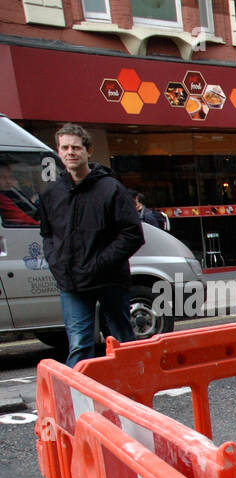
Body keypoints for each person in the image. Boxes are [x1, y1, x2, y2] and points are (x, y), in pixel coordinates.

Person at [37, 123, 143, 367]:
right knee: (79, 344)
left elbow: (132, 234)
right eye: (65, 147)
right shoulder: (51, 193)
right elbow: (47, 235)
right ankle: (79, 400)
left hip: (110, 279)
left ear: (89, 151)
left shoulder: (111, 188)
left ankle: (131, 392)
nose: (70, 152)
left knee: (121, 340)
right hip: (72, 282)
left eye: (76, 147)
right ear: (59, 151)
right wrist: (57, 263)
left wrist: (99, 263)